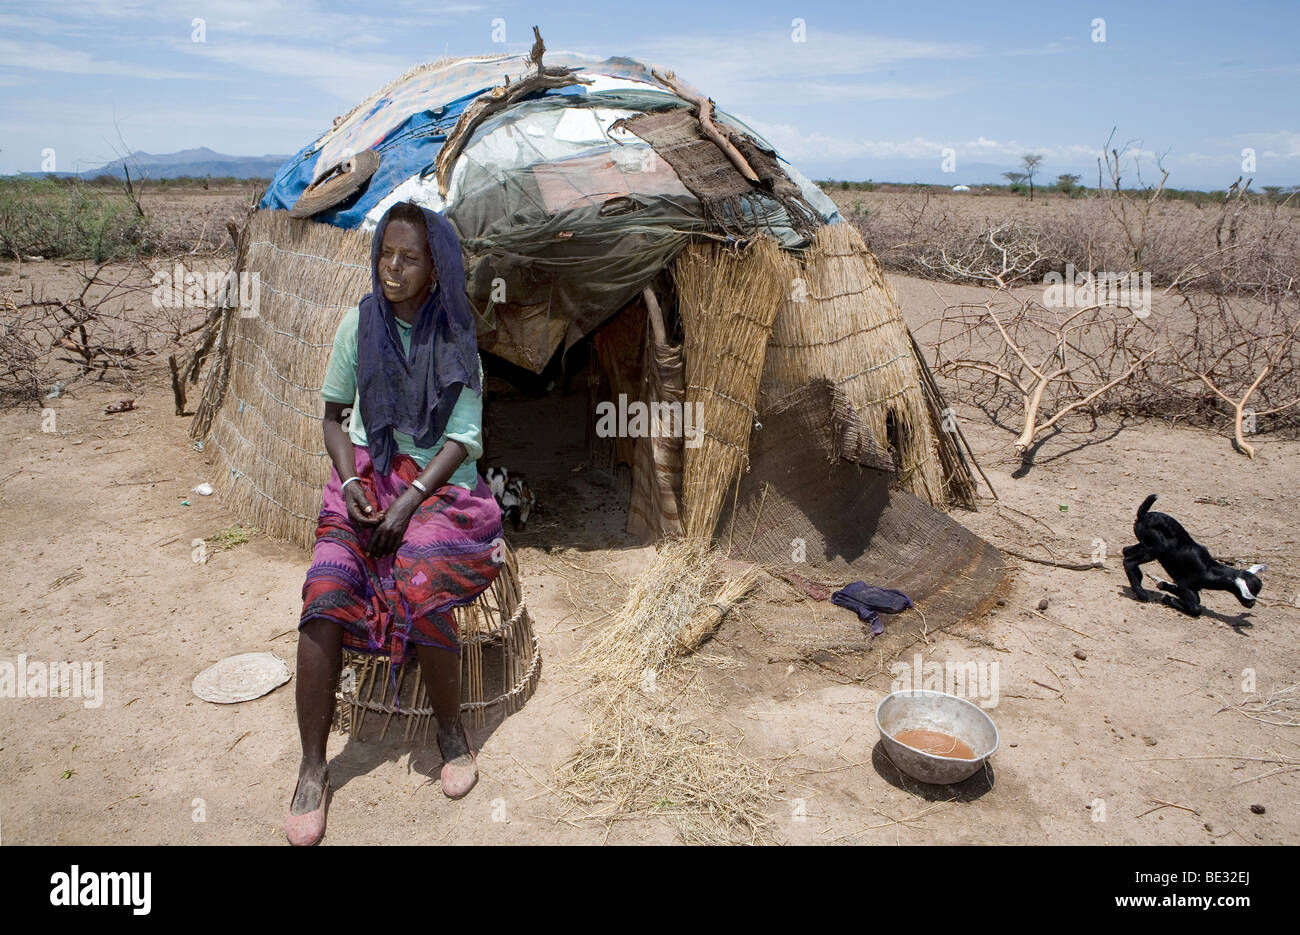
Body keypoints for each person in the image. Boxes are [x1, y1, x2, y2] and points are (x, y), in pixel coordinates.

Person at [285, 201, 503, 846]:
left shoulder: (457, 335)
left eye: (410, 258)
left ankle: (449, 731)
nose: (393, 269)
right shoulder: (359, 326)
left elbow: (462, 439)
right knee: (325, 590)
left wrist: (408, 501)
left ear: (435, 268)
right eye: (387, 254)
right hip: (367, 477)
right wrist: (352, 481)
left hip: (438, 487)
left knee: (422, 572)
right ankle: (312, 766)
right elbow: (333, 417)